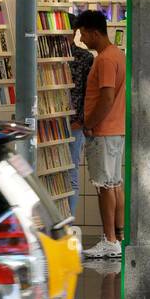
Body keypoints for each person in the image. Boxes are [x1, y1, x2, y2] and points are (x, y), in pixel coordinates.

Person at [76, 9, 126, 259]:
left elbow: (106, 98)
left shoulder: (105, 60)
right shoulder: (118, 55)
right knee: (114, 184)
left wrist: (89, 124)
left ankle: (109, 241)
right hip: (116, 130)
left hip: (103, 131)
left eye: (83, 33)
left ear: (94, 32)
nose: (81, 39)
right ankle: (118, 236)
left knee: (103, 186)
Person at [67, 16, 95, 219]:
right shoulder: (44, 55)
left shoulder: (85, 58)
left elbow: (90, 93)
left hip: (75, 124)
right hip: (51, 125)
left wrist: (83, 120)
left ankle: (67, 220)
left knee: (71, 170)